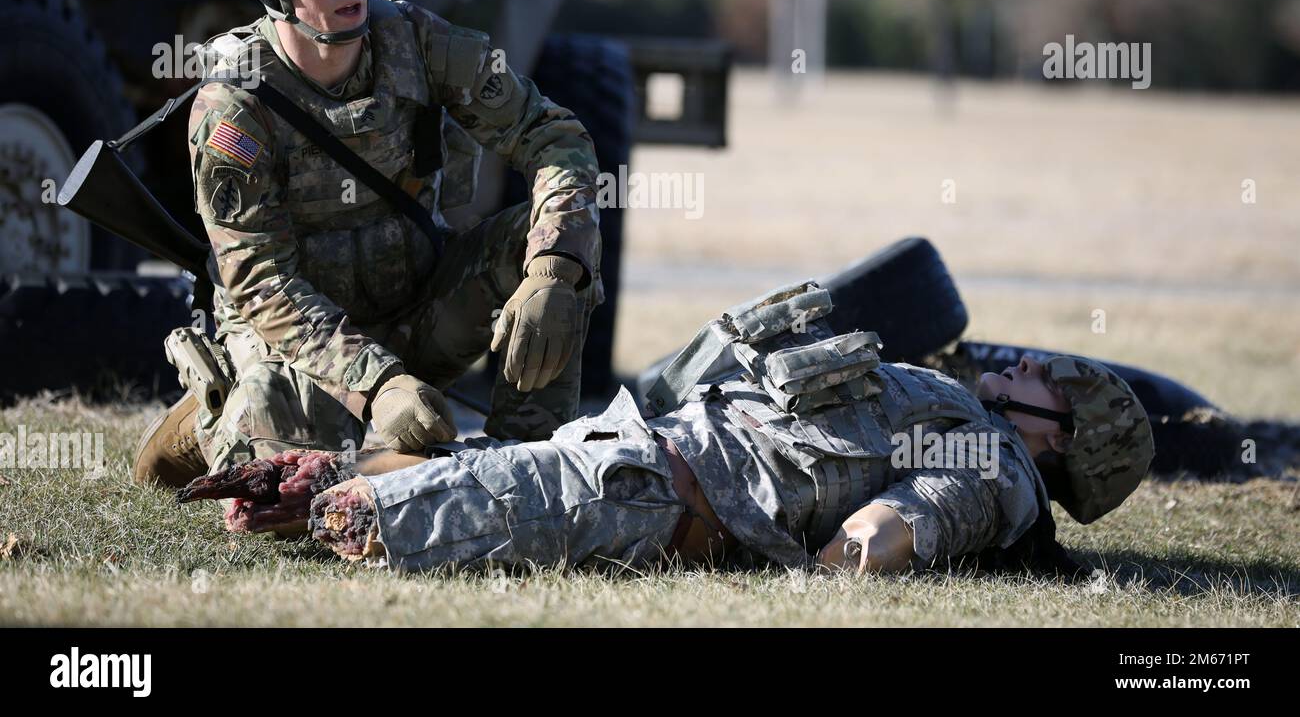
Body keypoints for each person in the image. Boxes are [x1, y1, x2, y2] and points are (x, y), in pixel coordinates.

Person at [134, 0, 603, 487]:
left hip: (418, 309)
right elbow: (260, 281)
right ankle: (209, 419)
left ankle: (524, 472)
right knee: (301, 479)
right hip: (301, 343)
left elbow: (551, 136)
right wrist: (377, 384)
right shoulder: (235, 108)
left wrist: (553, 271)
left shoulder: (419, 41)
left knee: (554, 252)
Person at [179, 280, 1154, 576]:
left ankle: (314, 491)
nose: (1023, 364)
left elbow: (884, 535)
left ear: (1060, 442)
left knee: (374, 510)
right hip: (634, 453)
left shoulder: (992, 468)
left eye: (1047, 382)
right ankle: (273, 460)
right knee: (421, 464)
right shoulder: (962, 414)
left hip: (654, 497)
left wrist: (815, 572)